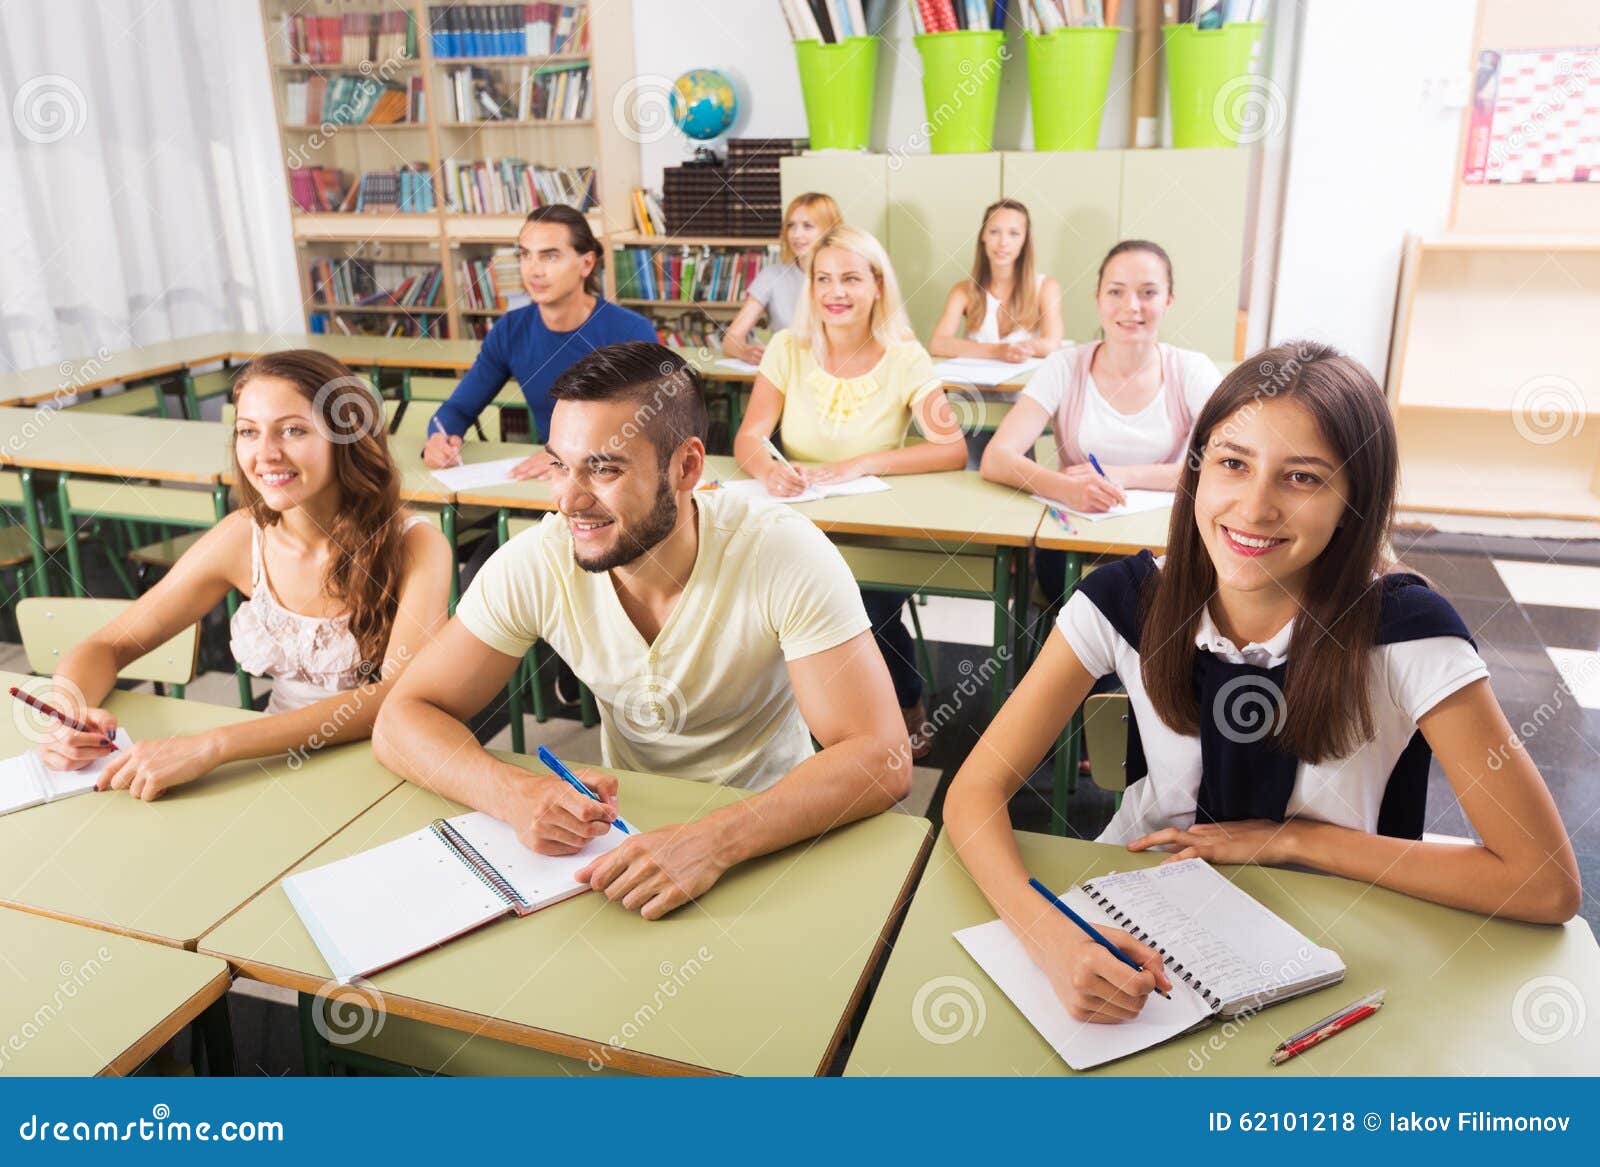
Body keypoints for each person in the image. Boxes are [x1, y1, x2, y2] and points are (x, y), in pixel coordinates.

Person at [944, 341, 1582, 1025]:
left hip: (1338, 930)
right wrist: (1048, 934)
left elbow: (1545, 881)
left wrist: (1295, 839)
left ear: (1353, 503)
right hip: (1143, 909)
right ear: (1196, 471)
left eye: (1302, 478)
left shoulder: (1406, 629)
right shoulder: (1124, 598)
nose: (1253, 507)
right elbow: (974, 791)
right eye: (1232, 463)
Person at [373, 342, 911, 920]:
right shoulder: (537, 559)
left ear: (686, 466)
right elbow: (401, 720)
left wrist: (715, 840)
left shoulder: (781, 551)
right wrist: (515, 792)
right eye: (559, 464)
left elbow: (882, 756)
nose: (569, 501)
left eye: (603, 468)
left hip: (775, 824)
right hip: (626, 831)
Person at [38, 350, 452, 800]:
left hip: (388, 769)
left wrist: (215, 745)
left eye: (293, 430)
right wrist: (68, 714)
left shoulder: (417, 544)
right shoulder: (242, 538)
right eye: (248, 432)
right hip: (275, 766)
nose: (266, 454)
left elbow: (392, 699)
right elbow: (108, 645)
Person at [733, 224, 966, 758]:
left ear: (878, 286)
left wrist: (861, 463)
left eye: (852, 279)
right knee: (764, 602)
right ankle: (794, 713)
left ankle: (905, 700)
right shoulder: (787, 348)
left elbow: (951, 447)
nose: (837, 293)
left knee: (866, 601)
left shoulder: (906, 356)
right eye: (825, 280)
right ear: (810, 288)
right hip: (795, 515)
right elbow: (750, 435)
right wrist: (769, 468)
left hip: (875, 522)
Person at [981, 239, 1223, 602]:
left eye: (1148, 292)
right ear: (1098, 299)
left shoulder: (1191, 369)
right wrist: (1066, 489)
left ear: (1168, 300)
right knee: (1092, 604)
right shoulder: (1064, 365)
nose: (1132, 306)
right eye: (1116, 292)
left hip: (1162, 542)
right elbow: (996, 457)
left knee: (1155, 609)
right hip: (1075, 541)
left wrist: (1122, 475)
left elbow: (1225, 463)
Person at [422, 204, 656, 478]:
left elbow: (653, 424)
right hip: (552, 480)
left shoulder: (631, 331)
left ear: (587, 263)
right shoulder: (510, 330)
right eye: (525, 255)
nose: (534, 271)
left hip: (619, 478)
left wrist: (571, 455)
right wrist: (438, 437)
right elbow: (459, 408)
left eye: (550, 257)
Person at [929, 198, 1063, 362]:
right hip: (974, 385)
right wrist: (998, 351)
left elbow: (1052, 344)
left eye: (1013, 233)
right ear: (983, 236)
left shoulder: (1046, 287)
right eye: (994, 232)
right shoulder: (962, 290)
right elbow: (938, 343)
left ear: (1025, 240)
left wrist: (1010, 350)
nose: (1003, 243)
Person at [720, 192, 841, 365]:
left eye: (807, 226)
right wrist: (745, 351)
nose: (796, 235)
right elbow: (730, 340)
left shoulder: (845, 278)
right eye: (791, 226)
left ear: (829, 230)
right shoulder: (771, 276)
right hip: (786, 373)